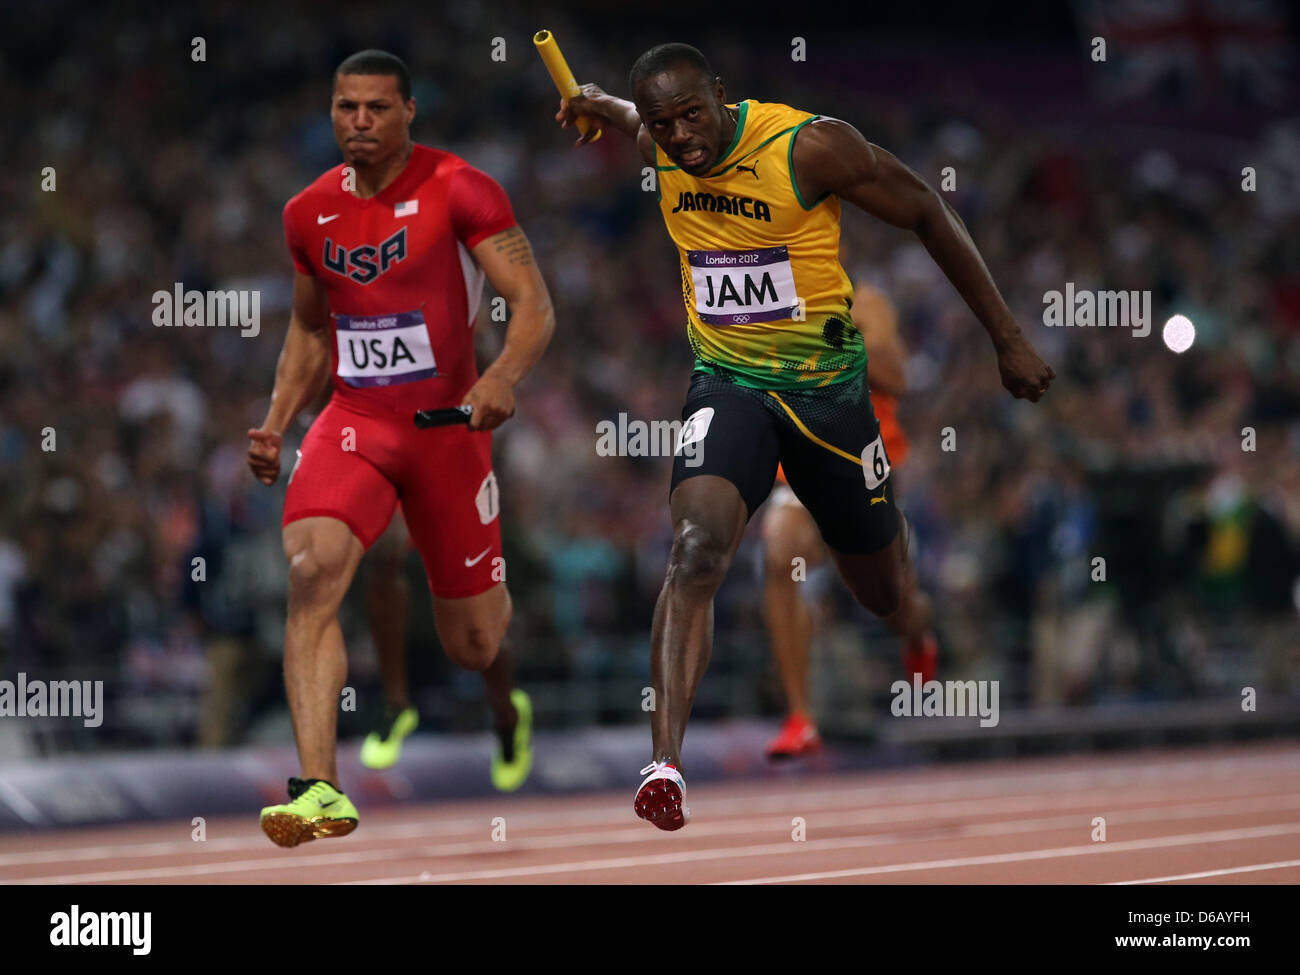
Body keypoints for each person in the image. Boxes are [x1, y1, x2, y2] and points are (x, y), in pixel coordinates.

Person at [557, 43, 1054, 831]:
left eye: (692, 115)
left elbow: (926, 208)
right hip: (728, 386)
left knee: (880, 591)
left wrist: (1008, 337)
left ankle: (916, 624)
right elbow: (631, 121)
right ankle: (665, 765)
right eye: (663, 124)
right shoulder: (660, 143)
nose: (681, 138)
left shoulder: (809, 147)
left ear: (722, 95)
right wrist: (598, 102)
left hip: (830, 400)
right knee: (695, 551)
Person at [248, 50, 553, 847]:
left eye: (376, 107)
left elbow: (533, 304)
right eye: (345, 106)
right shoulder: (307, 212)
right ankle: (320, 787)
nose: (359, 121)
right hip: (355, 422)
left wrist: (502, 375)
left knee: (472, 643)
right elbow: (310, 330)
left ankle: (505, 697)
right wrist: (277, 420)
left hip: (448, 431)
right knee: (311, 571)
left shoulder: (461, 188)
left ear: (408, 111)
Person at [762, 282, 936, 759]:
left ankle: (918, 636)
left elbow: (895, 379)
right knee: (779, 553)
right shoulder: (763, 300)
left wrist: (832, 335)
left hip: (864, 467)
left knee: (893, 603)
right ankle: (801, 716)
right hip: (801, 468)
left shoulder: (866, 303)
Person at [358, 511, 533, 794]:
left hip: (454, 492)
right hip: (402, 479)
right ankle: (395, 704)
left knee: (475, 642)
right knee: (384, 553)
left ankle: (507, 715)